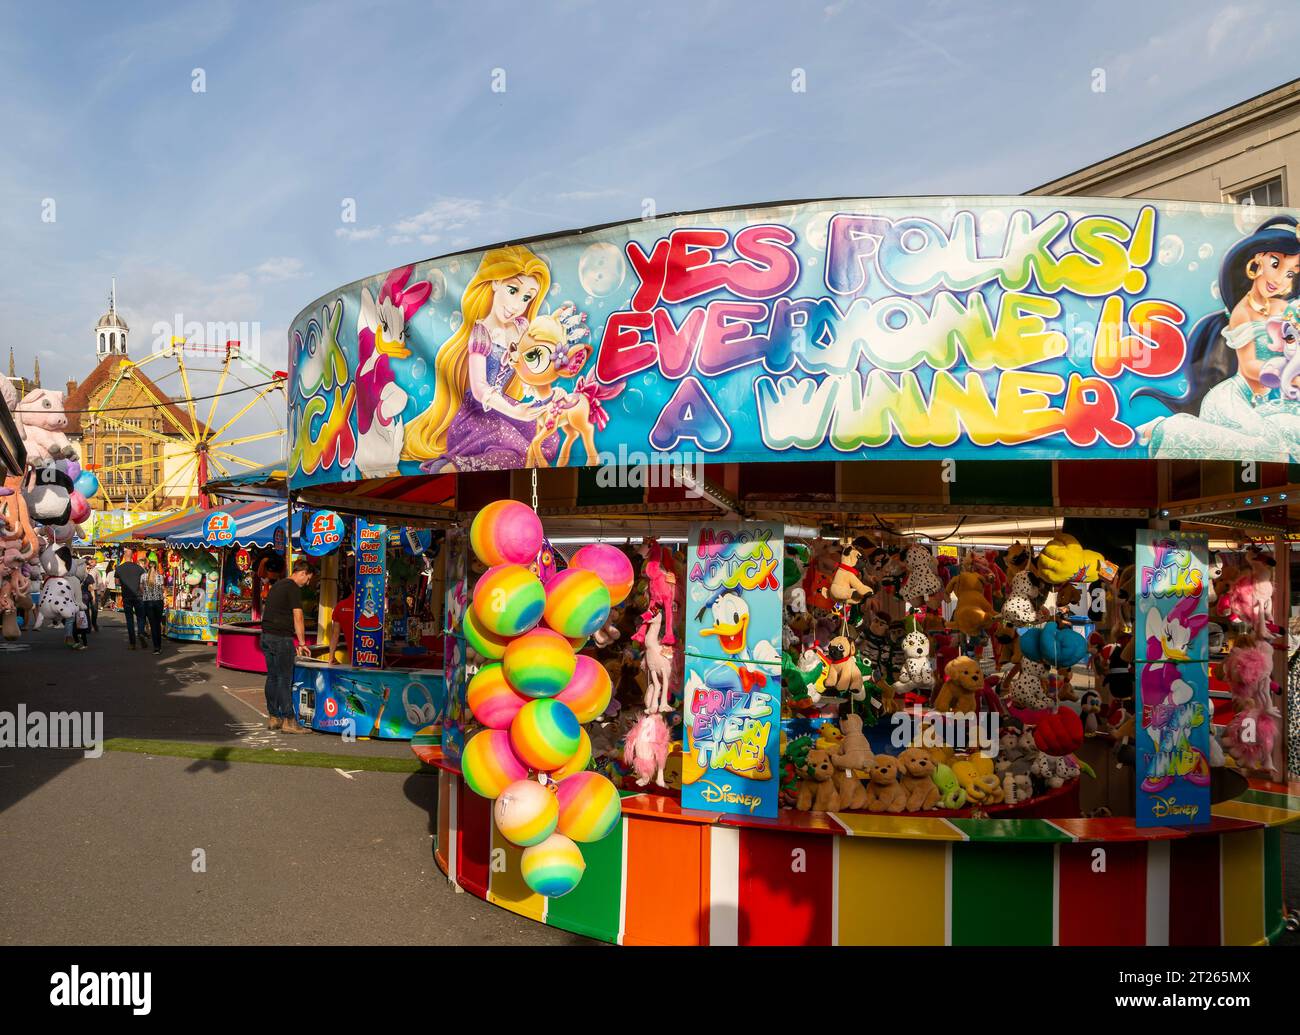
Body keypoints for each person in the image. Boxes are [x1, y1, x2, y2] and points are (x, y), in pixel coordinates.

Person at [261, 561, 316, 733]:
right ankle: (289, 721)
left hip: (266, 635)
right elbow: (298, 615)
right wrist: (301, 642)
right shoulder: (292, 587)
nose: (307, 583)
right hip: (281, 638)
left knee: (273, 677)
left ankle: (273, 717)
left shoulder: (278, 585)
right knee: (285, 679)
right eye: (308, 579)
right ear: (302, 573)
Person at [116, 552, 145, 648]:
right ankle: (141, 632)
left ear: (124, 557)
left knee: (129, 620)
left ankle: (132, 643)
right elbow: (143, 581)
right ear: (132, 557)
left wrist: (125, 584)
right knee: (140, 617)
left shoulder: (119, 568)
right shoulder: (139, 568)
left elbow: (117, 583)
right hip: (138, 596)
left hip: (126, 596)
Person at [138, 558, 166, 655]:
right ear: (157, 567)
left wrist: (146, 594)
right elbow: (162, 589)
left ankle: (156, 647)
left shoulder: (143, 576)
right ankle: (159, 646)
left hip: (148, 602)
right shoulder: (160, 577)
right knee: (158, 624)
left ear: (147, 566)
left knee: (152, 625)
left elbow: (141, 589)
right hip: (158, 602)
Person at [83, 558, 101, 632]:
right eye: (89, 562)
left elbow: (99, 580)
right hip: (85, 592)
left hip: (94, 591)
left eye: (91, 562)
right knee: (86, 610)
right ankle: (88, 626)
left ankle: (94, 623)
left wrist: (101, 591)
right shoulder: (82, 570)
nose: (91, 564)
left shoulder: (96, 570)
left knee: (95, 609)